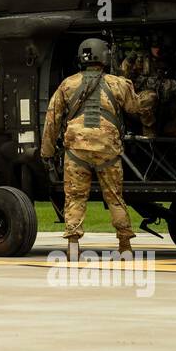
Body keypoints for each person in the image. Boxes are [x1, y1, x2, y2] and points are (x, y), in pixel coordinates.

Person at [40, 38, 141, 258]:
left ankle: (74, 247)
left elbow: (52, 120)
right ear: (105, 58)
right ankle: (125, 245)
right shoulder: (118, 84)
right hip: (108, 151)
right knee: (115, 197)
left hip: (76, 152)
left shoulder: (67, 85)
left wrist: (47, 152)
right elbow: (135, 108)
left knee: (75, 198)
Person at [120, 35, 176, 139]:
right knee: (150, 96)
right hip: (139, 102)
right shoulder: (139, 59)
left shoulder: (169, 60)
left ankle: (173, 126)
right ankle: (148, 129)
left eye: (161, 47)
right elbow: (123, 79)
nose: (158, 50)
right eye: (155, 47)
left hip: (164, 101)